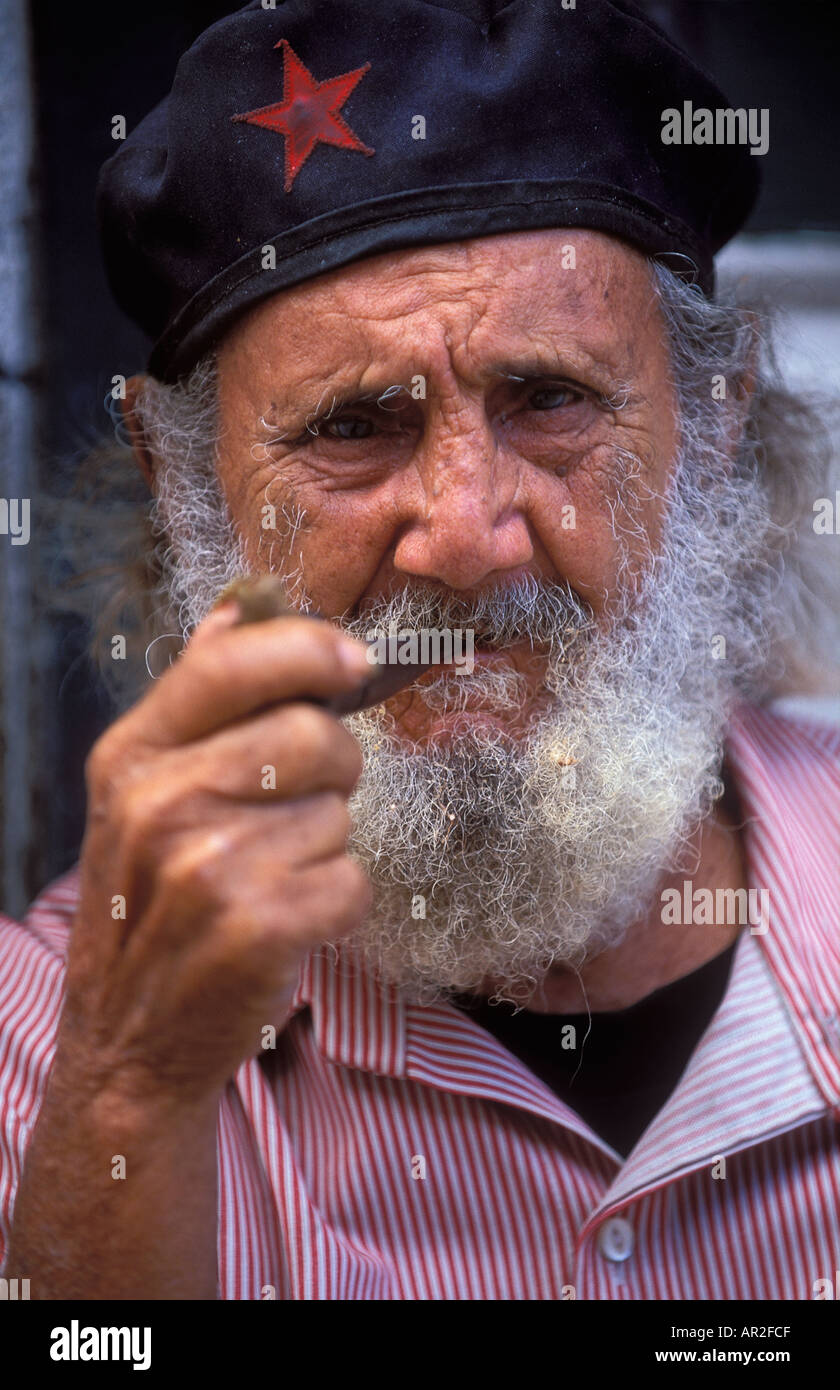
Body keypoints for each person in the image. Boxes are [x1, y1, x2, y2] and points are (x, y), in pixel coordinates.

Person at [1, 0, 838, 1300]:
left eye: (551, 399)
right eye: (352, 426)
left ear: (715, 426)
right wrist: (126, 1093)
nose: (464, 536)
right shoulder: (47, 1051)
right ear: (185, 485)